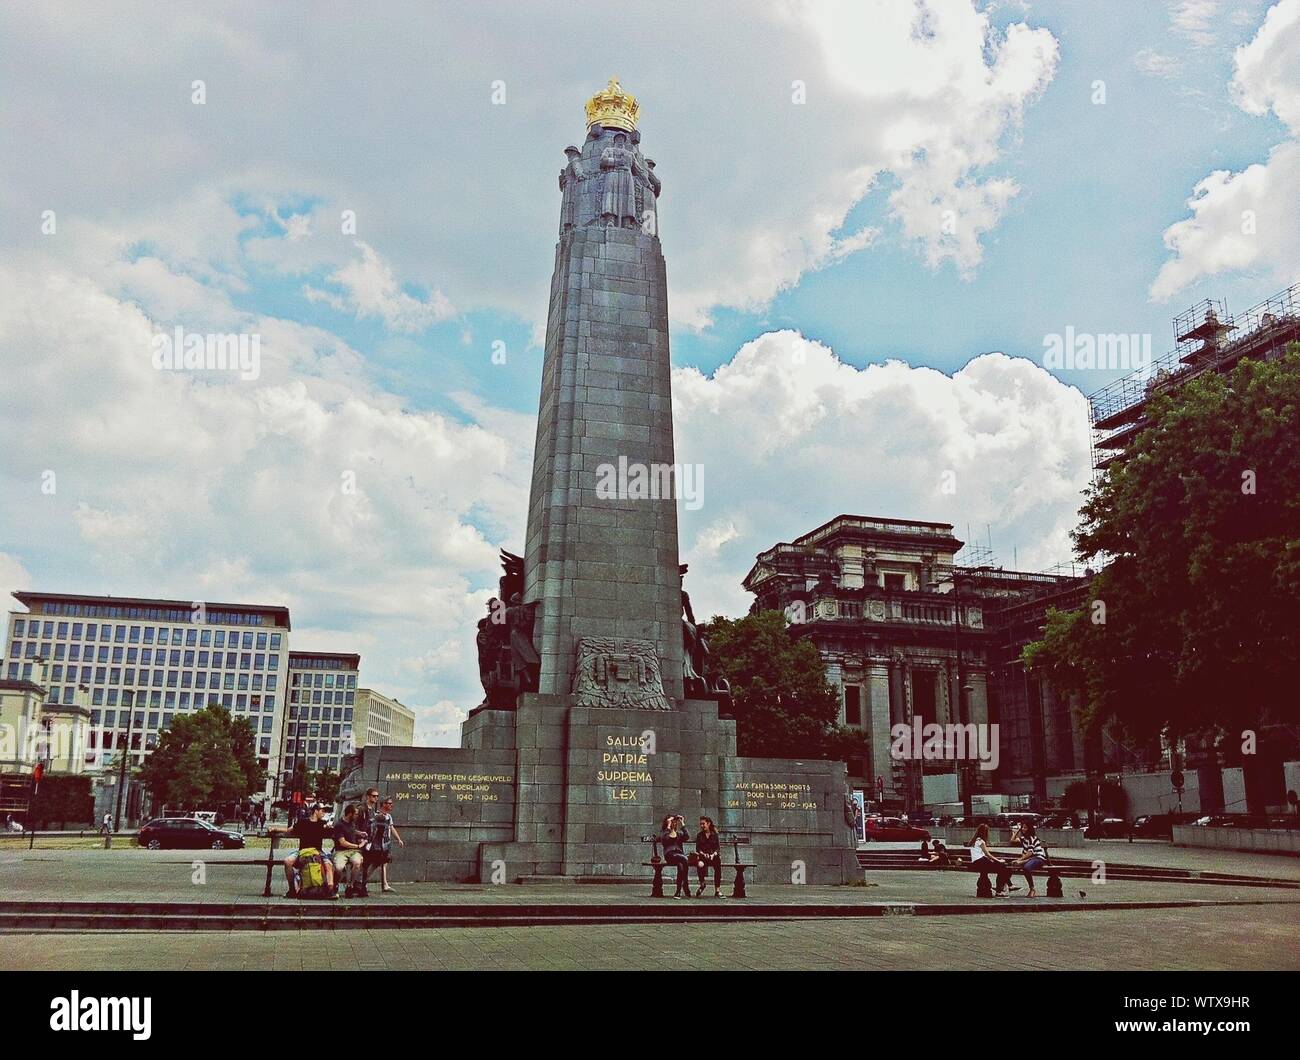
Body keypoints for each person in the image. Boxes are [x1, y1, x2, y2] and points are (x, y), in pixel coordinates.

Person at [270, 803, 336, 899]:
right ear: (316, 811)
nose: (324, 813)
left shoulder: (323, 823)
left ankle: (330, 891)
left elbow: (334, 831)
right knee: (287, 861)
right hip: (303, 851)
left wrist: (330, 828)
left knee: (329, 865)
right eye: (322, 810)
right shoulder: (302, 822)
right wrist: (275, 828)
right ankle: (292, 890)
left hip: (317, 851)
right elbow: (289, 830)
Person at [364, 797, 404, 893]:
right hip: (378, 845)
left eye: (391, 803)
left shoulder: (388, 816)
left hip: (385, 844)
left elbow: (391, 828)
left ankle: (366, 883)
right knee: (377, 864)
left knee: (380, 864)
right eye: (389, 803)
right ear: (383, 804)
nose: (391, 805)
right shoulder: (376, 815)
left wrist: (398, 839)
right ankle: (365, 883)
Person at [967, 823, 1016, 896]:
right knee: (1002, 867)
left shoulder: (974, 840)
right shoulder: (981, 841)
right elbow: (987, 854)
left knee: (1002, 867)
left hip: (977, 862)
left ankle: (1007, 886)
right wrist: (998, 860)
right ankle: (1004, 888)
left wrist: (993, 860)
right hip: (981, 862)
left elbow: (982, 855)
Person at [332, 804, 369, 898]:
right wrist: (357, 846)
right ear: (350, 814)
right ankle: (335, 884)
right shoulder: (339, 825)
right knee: (339, 867)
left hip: (354, 852)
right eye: (355, 814)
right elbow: (342, 842)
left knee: (357, 863)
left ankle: (350, 885)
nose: (357, 816)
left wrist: (360, 833)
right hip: (341, 851)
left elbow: (351, 830)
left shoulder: (352, 823)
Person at [1009, 820, 1049, 898]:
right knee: (1010, 865)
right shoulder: (1024, 838)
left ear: (1029, 829)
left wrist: (1019, 860)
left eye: (1025, 828)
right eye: (1023, 827)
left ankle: (1032, 889)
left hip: (1038, 859)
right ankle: (1005, 886)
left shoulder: (1032, 838)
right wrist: (1017, 831)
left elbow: (1030, 853)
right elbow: (1012, 840)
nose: (1023, 829)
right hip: (1030, 859)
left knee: (1026, 868)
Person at [659, 814, 691, 898]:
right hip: (670, 855)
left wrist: (682, 823)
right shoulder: (664, 832)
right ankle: (686, 884)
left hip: (680, 857)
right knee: (684, 858)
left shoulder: (679, 834)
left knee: (681, 866)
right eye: (671, 821)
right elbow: (665, 839)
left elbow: (687, 836)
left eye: (674, 822)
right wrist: (668, 826)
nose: (673, 823)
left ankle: (678, 891)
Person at [693, 816, 724, 898]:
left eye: (703, 824)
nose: (702, 826)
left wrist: (713, 854)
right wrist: (703, 854)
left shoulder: (714, 835)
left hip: (713, 857)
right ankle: (702, 884)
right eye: (701, 824)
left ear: (708, 824)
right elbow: (698, 849)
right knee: (700, 864)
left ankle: (717, 890)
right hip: (703, 857)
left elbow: (717, 848)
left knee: (718, 863)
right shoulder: (699, 835)